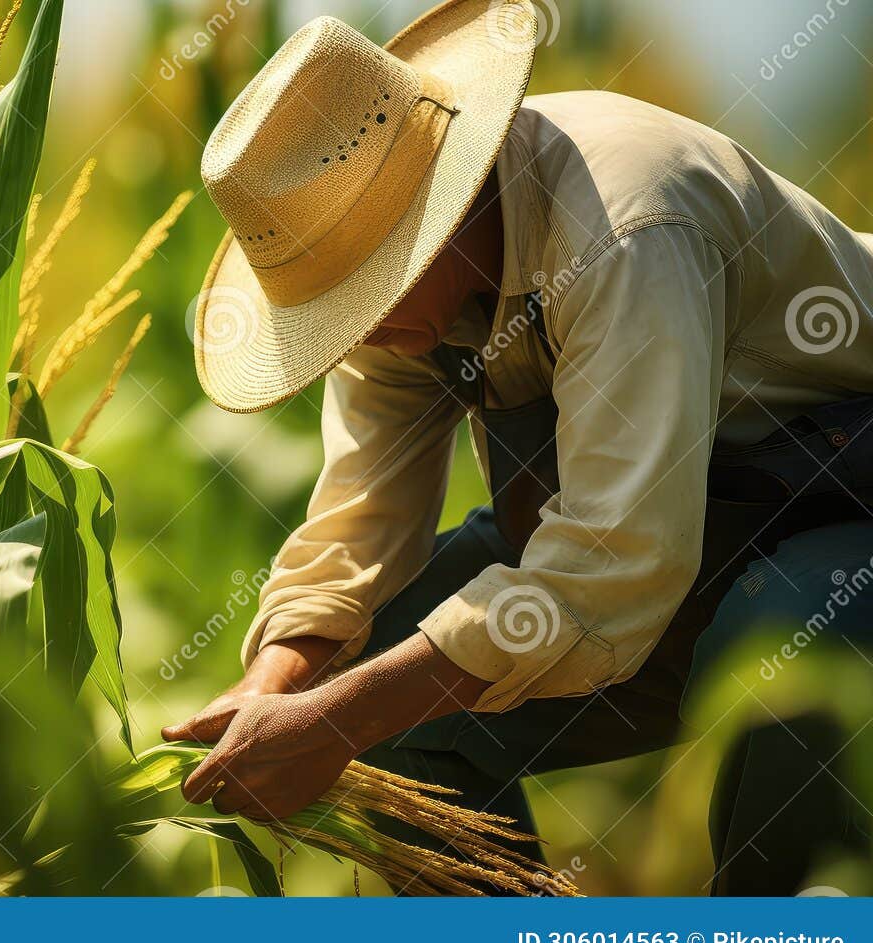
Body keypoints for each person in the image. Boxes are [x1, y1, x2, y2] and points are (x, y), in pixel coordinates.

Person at [166, 0, 873, 894]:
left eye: (357, 297)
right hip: (653, 542)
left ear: (432, 217)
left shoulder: (625, 228)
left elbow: (612, 566)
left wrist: (339, 721)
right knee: (378, 682)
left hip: (838, 515)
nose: (347, 333)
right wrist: (277, 687)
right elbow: (360, 521)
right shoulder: (396, 312)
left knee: (785, 672)